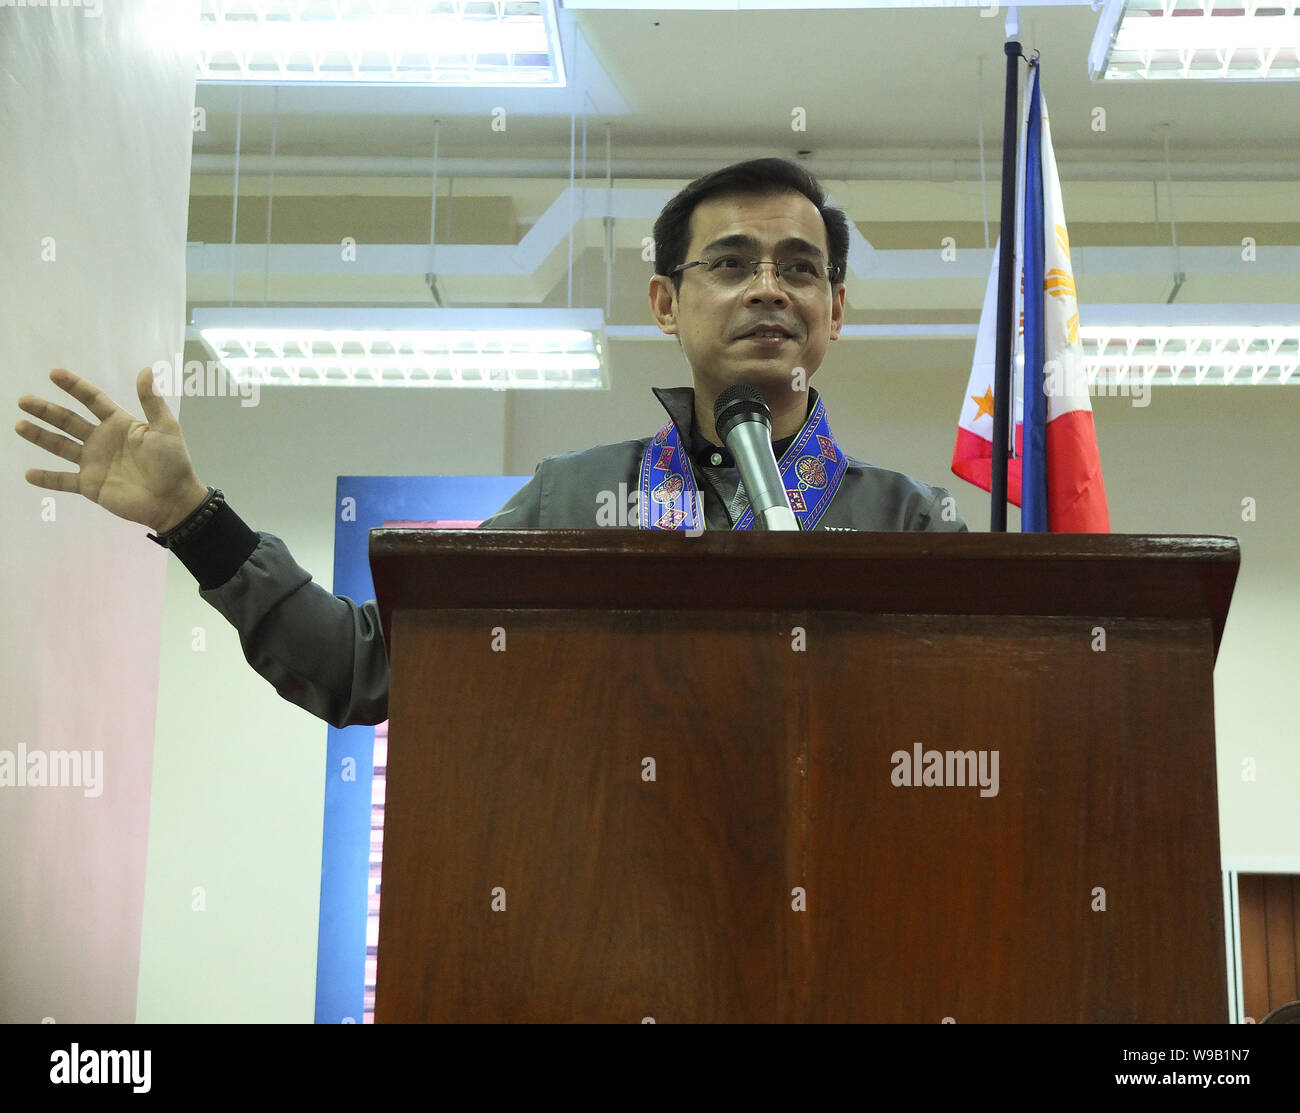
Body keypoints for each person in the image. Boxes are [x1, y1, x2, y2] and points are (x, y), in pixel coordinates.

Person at [14, 157, 965, 728]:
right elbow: (364, 666)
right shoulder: (569, 503)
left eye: (799, 267)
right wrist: (193, 522)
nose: (768, 286)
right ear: (666, 302)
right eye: (729, 263)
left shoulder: (913, 523)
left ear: (834, 310)